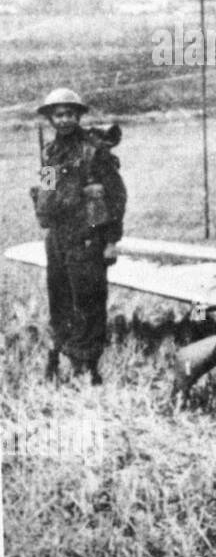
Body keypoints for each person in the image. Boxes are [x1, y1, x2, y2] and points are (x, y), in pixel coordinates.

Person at [29, 88, 127, 386]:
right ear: (50, 118)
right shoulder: (50, 152)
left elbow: (116, 196)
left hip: (88, 235)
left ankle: (87, 365)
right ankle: (62, 355)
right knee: (60, 298)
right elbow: (47, 191)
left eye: (71, 113)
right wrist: (43, 211)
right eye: (58, 114)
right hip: (58, 237)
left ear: (79, 116)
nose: (65, 120)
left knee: (88, 299)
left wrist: (111, 241)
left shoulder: (94, 150)